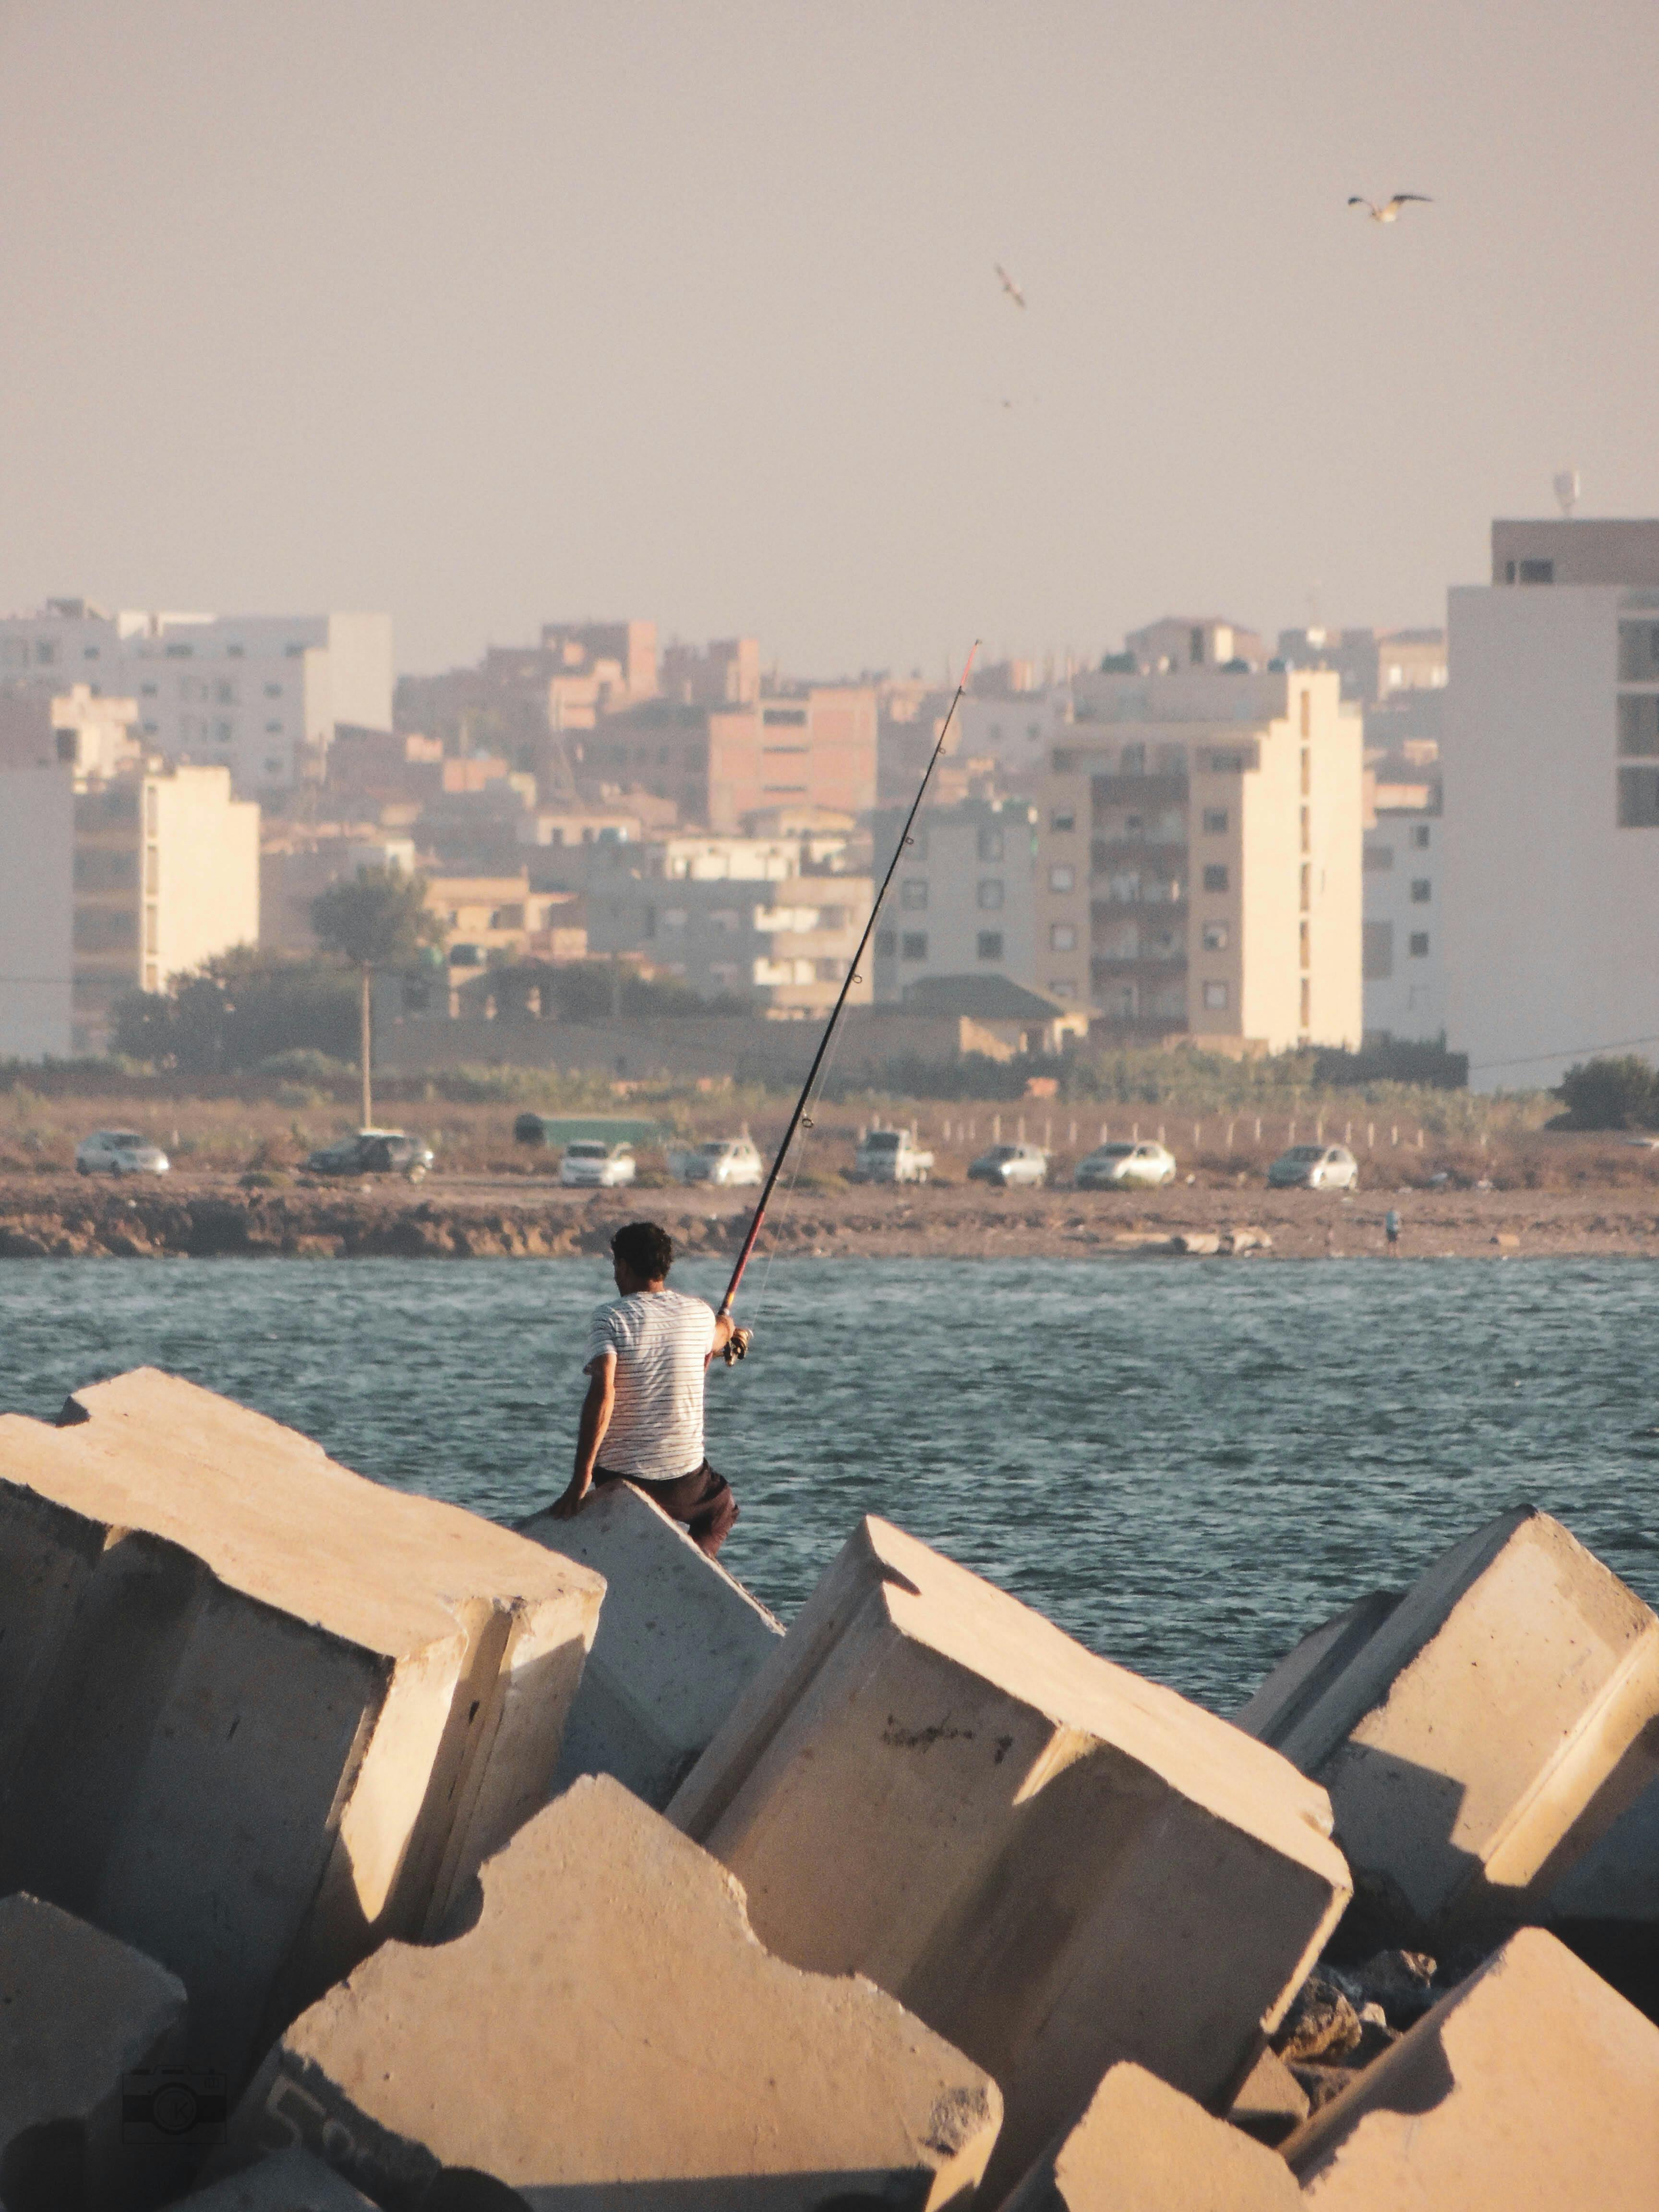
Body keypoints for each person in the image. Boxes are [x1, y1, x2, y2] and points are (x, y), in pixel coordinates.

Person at [551, 1219, 748, 1558]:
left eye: (615, 1265)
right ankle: (691, 1565)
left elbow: (604, 1392)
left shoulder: (608, 1318)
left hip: (617, 1479)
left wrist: (581, 1478)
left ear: (624, 1267)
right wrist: (730, 1329)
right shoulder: (698, 1313)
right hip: (683, 1484)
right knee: (722, 1510)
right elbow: (720, 1333)